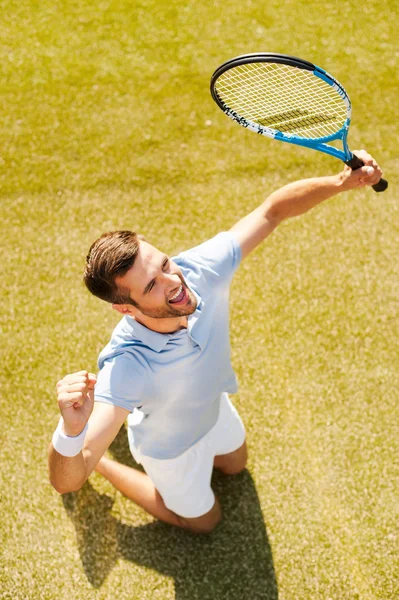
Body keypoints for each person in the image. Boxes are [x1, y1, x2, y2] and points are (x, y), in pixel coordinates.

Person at [48, 151, 383, 534]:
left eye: (163, 264)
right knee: (205, 523)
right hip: (169, 450)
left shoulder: (197, 270)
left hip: (213, 409)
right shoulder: (127, 367)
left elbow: (272, 211)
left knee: (235, 466)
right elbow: (66, 481)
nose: (173, 282)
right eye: (151, 286)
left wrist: (342, 182)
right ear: (126, 309)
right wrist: (72, 432)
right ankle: (113, 463)